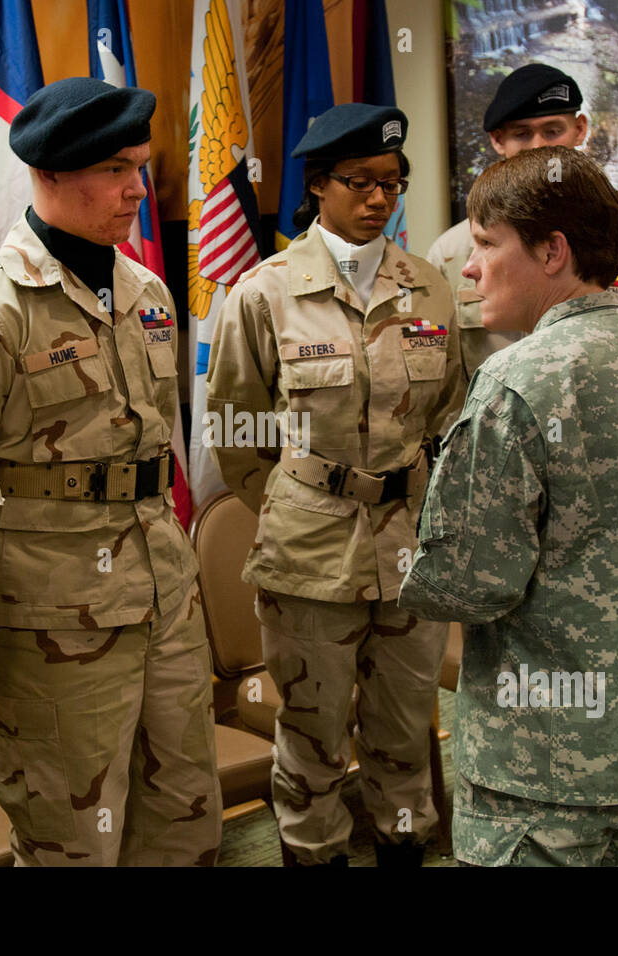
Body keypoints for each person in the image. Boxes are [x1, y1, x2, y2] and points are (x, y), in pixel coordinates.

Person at [399, 146, 618, 867]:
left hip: (550, 778)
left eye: (485, 245)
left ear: (553, 251)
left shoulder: (514, 382)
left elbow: (468, 582)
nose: (469, 270)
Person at [0, 77, 221, 867]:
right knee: (73, 840)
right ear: (49, 175)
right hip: (55, 627)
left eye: (141, 167)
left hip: (164, 601)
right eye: (116, 169)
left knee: (186, 821)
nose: (137, 189)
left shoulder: (146, 290)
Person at [206, 104, 464, 866]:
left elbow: (450, 413)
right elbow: (237, 430)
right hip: (308, 556)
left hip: (411, 552)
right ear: (318, 185)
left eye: (393, 182)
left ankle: (404, 850)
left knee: (405, 730)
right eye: (361, 182)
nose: (380, 199)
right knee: (314, 737)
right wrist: (298, 504)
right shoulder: (264, 291)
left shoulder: (431, 289)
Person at [427, 64, 618, 382]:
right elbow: (444, 385)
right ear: (498, 140)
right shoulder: (453, 252)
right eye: (522, 134)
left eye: (553, 131)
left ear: (580, 128)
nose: (539, 146)